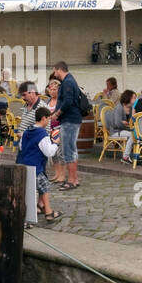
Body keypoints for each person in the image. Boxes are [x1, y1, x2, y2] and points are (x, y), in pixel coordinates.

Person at [19, 107, 61, 222]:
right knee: (44, 188)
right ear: (43, 118)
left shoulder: (27, 131)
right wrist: (56, 143)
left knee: (36, 188)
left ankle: (39, 206)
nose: (49, 122)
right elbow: (49, 152)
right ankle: (49, 212)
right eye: (48, 119)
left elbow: (21, 147)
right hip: (36, 167)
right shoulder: (42, 134)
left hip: (25, 165)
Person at [51, 61, 86, 190]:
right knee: (72, 150)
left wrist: (57, 113)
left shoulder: (67, 82)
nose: (54, 74)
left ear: (60, 70)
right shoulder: (70, 80)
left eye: (55, 71)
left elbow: (68, 101)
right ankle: (74, 179)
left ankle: (71, 180)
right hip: (72, 119)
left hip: (69, 120)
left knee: (68, 151)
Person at [105, 89, 136, 162]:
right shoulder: (119, 108)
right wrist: (125, 124)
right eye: (134, 98)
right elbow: (117, 124)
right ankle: (125, 157)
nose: (135, 99)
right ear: (129, 98)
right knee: (133, 135)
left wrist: (127, 124)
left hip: (125, 130)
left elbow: (132, 122)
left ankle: (133, 155)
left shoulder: (131, 108)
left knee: (136, 134)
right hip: (116, 131)